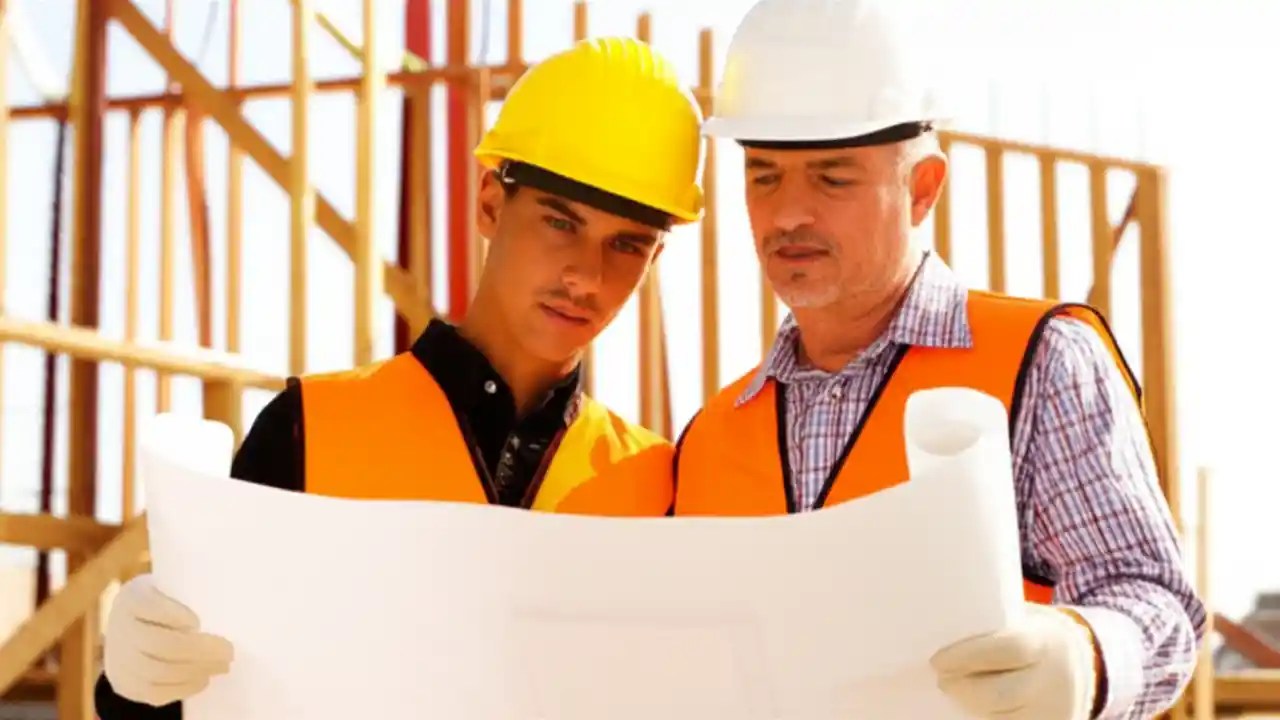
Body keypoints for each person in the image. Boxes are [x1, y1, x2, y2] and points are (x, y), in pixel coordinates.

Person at [93, 36, 705, 719]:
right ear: (489, 204)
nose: (586, 277)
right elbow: (210, 696)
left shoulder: (656, 486)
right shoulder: (313, 430)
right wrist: (133, 688)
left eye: (628, 245)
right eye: (560, 222)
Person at [671, 1, 1205, 718]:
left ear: (922, 188)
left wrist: (1086, 654)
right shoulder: (710, 437)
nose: (788, 212)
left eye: (832, 178)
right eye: (764, 175)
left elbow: (1153, 597)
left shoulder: (1039, 365)